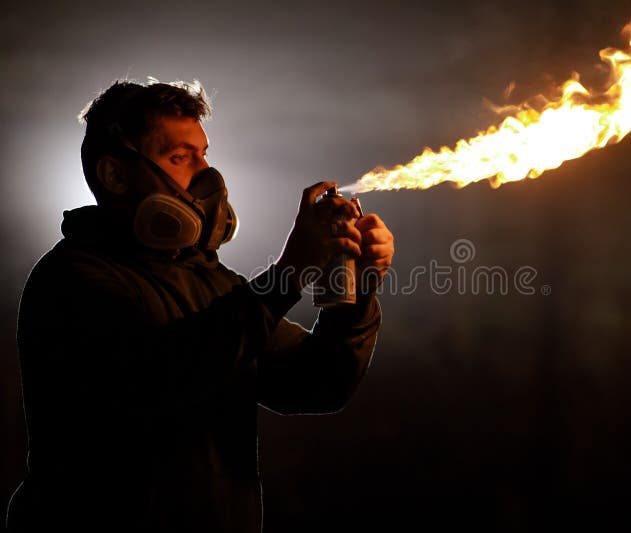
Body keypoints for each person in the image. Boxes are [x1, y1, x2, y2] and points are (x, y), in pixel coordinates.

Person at [5, 79, 394, 532]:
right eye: (179, 157)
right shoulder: (74, 280)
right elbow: (167, 374)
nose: (207, 176)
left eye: (203, 154)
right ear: (114, 175)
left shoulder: (213, 284)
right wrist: (289, 272)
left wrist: (357, 292)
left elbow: (318, 384)